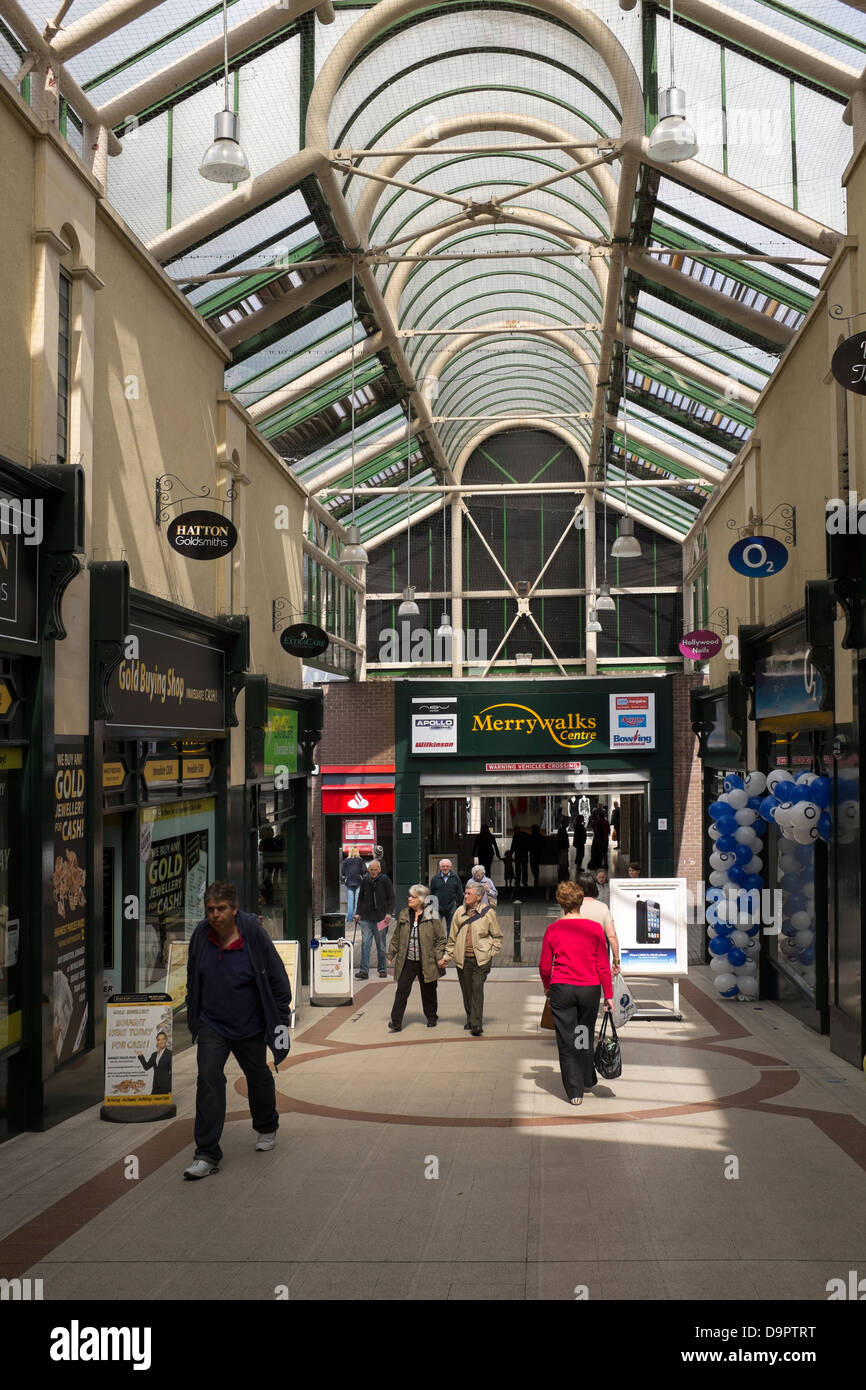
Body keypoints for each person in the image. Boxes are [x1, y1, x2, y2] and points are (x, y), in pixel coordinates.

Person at [182, 881, 291, 1179]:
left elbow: (277, 978)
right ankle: (206, 1153)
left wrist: (280, 1019)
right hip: (212, 1023)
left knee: (257, 1076)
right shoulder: (201, 936)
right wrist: (194, 1011)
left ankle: (267, 1125)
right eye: (210, 910)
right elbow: (193, 976)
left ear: (234, 908)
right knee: (208, 1079)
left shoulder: (253, 933)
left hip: (249, 1023)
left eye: (220, 909)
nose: (214, 915)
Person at [539, 881, 614, 1106]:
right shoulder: (594, 929)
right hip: (589, 989)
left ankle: (574, 1090)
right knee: (583, 1032)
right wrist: (608, 995)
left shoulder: (553, 930)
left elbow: (544, 966)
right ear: (580, 901)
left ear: (561, 903)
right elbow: (602, 964)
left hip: (562, 988)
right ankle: (586, 1077)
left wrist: (547, 986)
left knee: (566, 1038)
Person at [439, 879, 503, 1035]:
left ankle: (476, 1024)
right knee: (467, 991)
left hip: (481, 959)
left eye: (469, 894)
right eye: (465, 893)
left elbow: (497, 936)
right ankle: (470, 1018)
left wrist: (491, 952)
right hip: (463, 959)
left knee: (476, 988)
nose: (465, 895)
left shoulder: (488, 913)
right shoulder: (459, 913)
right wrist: (447, 957)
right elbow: (452, 938)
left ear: (479, 897)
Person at [387, 886, 446, 1031]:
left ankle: (432, 1017)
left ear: (420, 900)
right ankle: (396, 1021)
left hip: (427, 961)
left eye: (412, 897)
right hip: (407, 961)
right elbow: (396, 936)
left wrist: (439, 956)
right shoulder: (404, 914)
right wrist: (390, 954)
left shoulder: (432, 915)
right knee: (402, 990)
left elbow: (441, 939)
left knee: (429, 991)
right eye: (409, 896)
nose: (409, 899)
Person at [353, 859, 395, 979]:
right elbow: (360, 898)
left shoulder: (385, 880)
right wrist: (357, 913)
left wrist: (388, 914)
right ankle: (364, 971)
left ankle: (382, 969)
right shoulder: (365, 880)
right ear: (368, 870)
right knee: (365, 944)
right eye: (371, 869)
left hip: (381, 918)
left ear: (380, 870)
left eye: (375, 869)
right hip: (366, 918)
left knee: (381, 945)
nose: (373, 872)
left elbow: (391, 898)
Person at [577, 872, 621, 974]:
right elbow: (612, 936)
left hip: (575, 956)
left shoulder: (570, 908)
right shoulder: (603, 907)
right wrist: (616, 960)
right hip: (598, 956)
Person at [137, 1029, 172, 1097]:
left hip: (165, 1087)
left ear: (166, 1040)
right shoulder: (154, 1055)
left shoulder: (170, 1054)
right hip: (155, 1086)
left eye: (163, 1039)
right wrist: (141, 1056)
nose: (161, 1041)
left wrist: (170, 1089)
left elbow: (171, 1072)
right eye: (159, 1040)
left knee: (163, 1107)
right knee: (152, 1106)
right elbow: (146, 1067)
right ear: (157, 1042)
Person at [430, 858, 462, 927]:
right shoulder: (435, 878)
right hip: (438, 906)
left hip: (451, 906)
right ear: (440, 868)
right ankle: (438, 938)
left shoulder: (455, 878)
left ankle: (449, 938)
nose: (445, 868)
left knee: (451, 927)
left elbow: (460, 892)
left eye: (447, 866)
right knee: (437, 927)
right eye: (443, 866)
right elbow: (431, 892)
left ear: (450, 867)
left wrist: (456, 902)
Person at [340, 846, 367, 921]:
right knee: (358, 900)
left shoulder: (346, 861)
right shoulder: (360, 860)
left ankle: (349, 918)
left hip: (349, 881)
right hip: (358, 881)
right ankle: (356, 917)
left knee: (350, 900)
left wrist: (347, 874)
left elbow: (343, 871)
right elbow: (364, 870)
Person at [588, 805, 609, 871]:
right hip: (605, 839)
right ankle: (605, 864)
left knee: (599, 852)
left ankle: (599, 864)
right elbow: (607, 831)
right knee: (604, 852)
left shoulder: (597, 823)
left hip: (599, 840)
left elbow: (596, 831)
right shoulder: (606, 822)